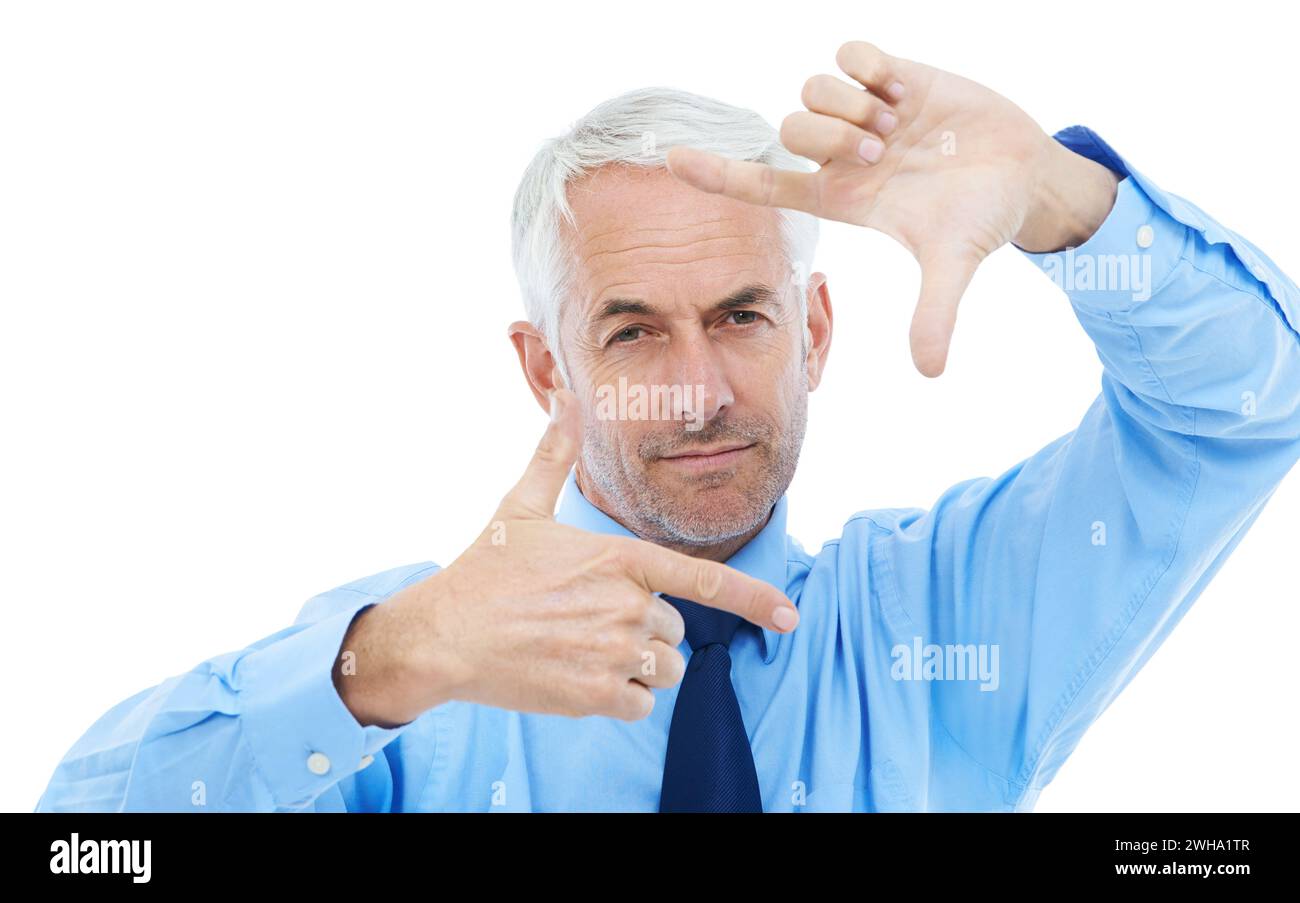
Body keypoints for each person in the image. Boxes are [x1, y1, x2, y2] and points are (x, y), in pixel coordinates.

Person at [37, 42, 1300, 812]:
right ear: (547, 368)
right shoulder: (417, 664)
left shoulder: (946, 620)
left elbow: (1245, 403)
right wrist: (381, 668)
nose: (697, 389)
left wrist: (1059, 204)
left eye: (742, 316)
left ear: (813, 331)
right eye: (633, 329)